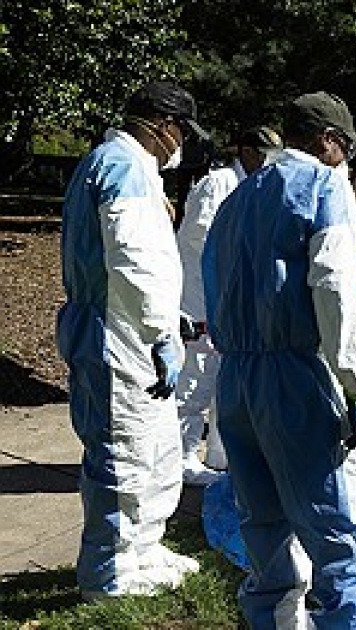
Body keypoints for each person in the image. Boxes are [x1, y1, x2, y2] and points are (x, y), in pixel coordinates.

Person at [202, 91, 356, 628]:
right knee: (328, 518)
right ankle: (350, 621)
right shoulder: (325, 188)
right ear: (328, 140)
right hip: (292, 374)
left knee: (261, 518)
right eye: (346, 147)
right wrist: (355, 384)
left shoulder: (239, 197)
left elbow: (214, 283)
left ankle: (272, 618)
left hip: (236, 375)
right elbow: (334, 290)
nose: (347, 158)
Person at [58, 81, 208, 599]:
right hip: (119, 334)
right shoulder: (122, 167)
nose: (182, 144)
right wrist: (158, 331)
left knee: (154, 447)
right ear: (165, 127)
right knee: (123, 451)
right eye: (182, 132)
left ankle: (142, 547)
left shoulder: (118, 164)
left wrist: (169, 319)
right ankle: (109, 573)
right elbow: (133, 262)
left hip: (128, 326)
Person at [175, 126, 282, 486]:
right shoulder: (218, 183)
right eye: (265, 154)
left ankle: (219, 455)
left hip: (228, 303)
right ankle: (180, 456)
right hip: (201, 300)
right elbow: (199, 238)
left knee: (225, 383)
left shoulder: (256, 187)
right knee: (195, 381)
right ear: (246, 151)